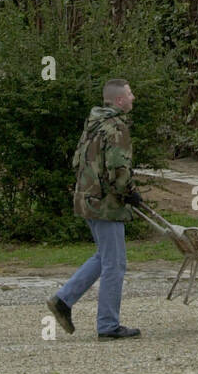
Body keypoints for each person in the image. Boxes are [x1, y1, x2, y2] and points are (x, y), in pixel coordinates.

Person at [47, 78, 143, 340]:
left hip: (87, 199)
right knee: (116, 264)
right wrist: (130, 192)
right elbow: (117, 169)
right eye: (130, 93)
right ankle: (108, 325)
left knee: (103, 257)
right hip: (106, 205)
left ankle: (63, 300)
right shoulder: (116, 127)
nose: (133, 97)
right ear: (120, 100)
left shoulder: (93, 124)